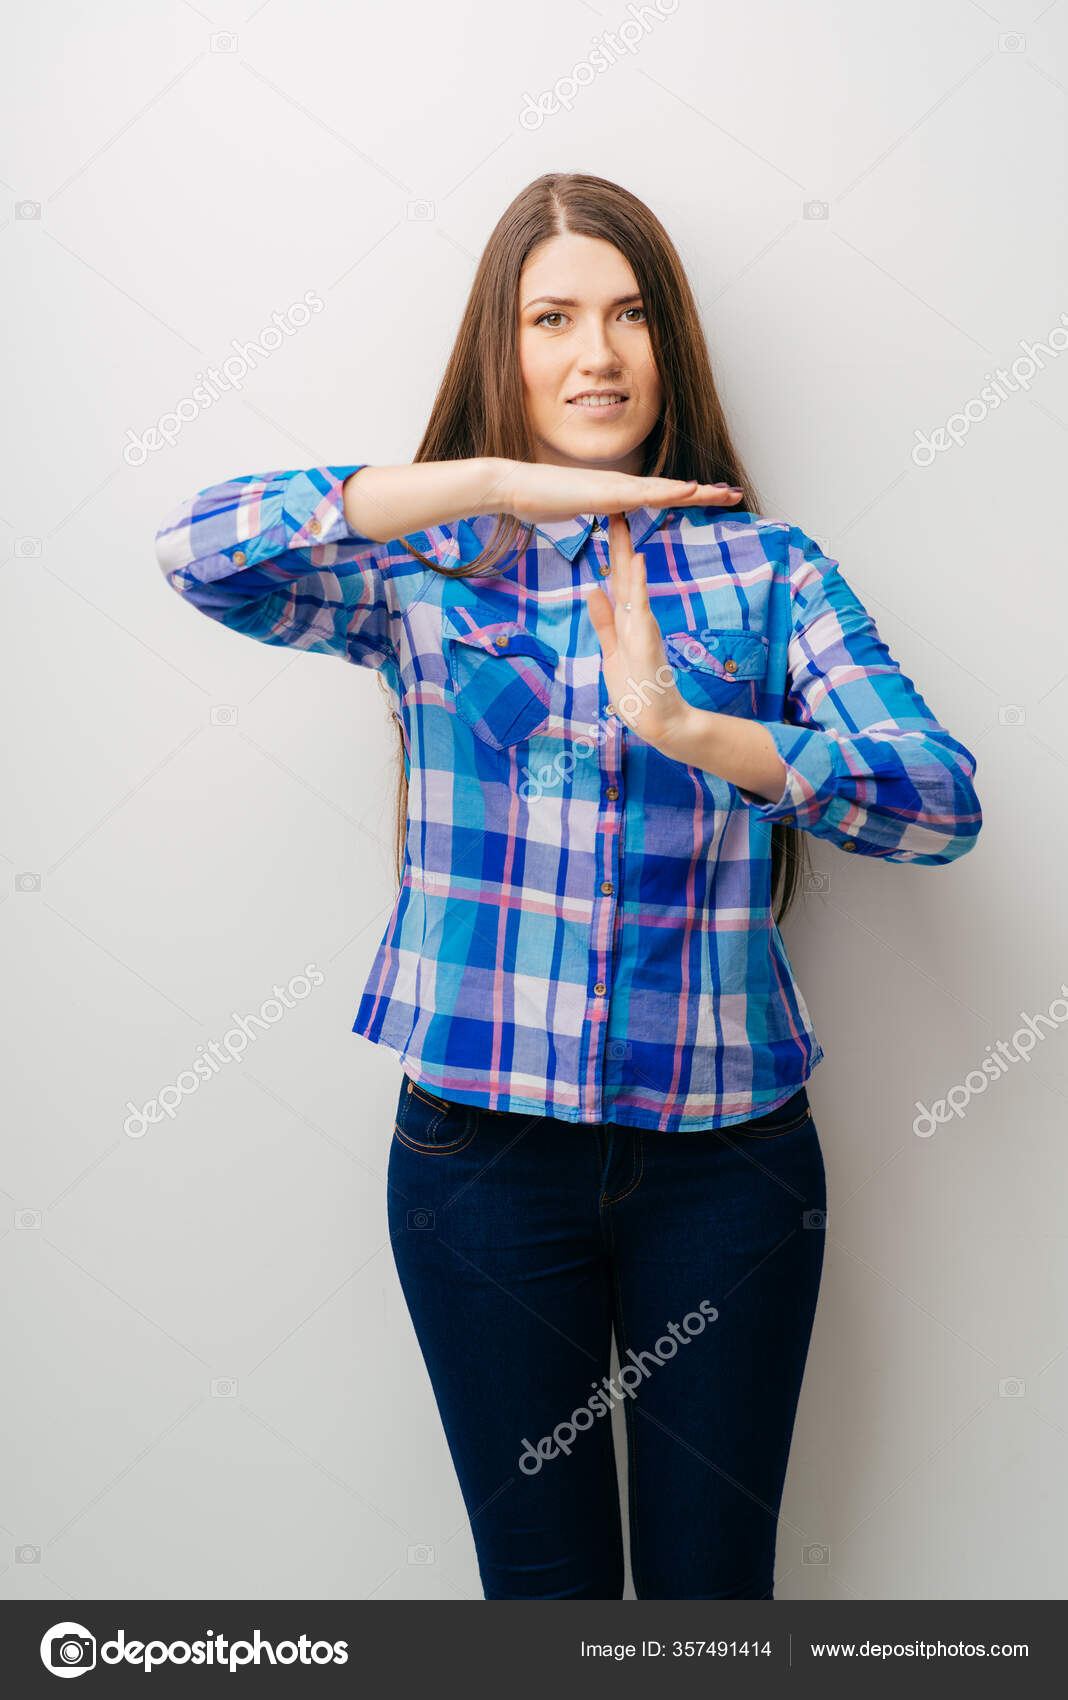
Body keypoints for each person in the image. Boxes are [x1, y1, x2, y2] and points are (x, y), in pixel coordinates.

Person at [154, 172, 982, 1600]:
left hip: (726, 1168)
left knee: (712, 1607)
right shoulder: (424, 567)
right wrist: (482, 484)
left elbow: (940, 805)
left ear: (672, 345)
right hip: (481, 1165)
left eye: (627, 314)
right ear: (505, 345)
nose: (595, 352)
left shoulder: (764, 569)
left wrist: (697, 732)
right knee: (541, 1614)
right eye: (552, 317)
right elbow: (198, 552)